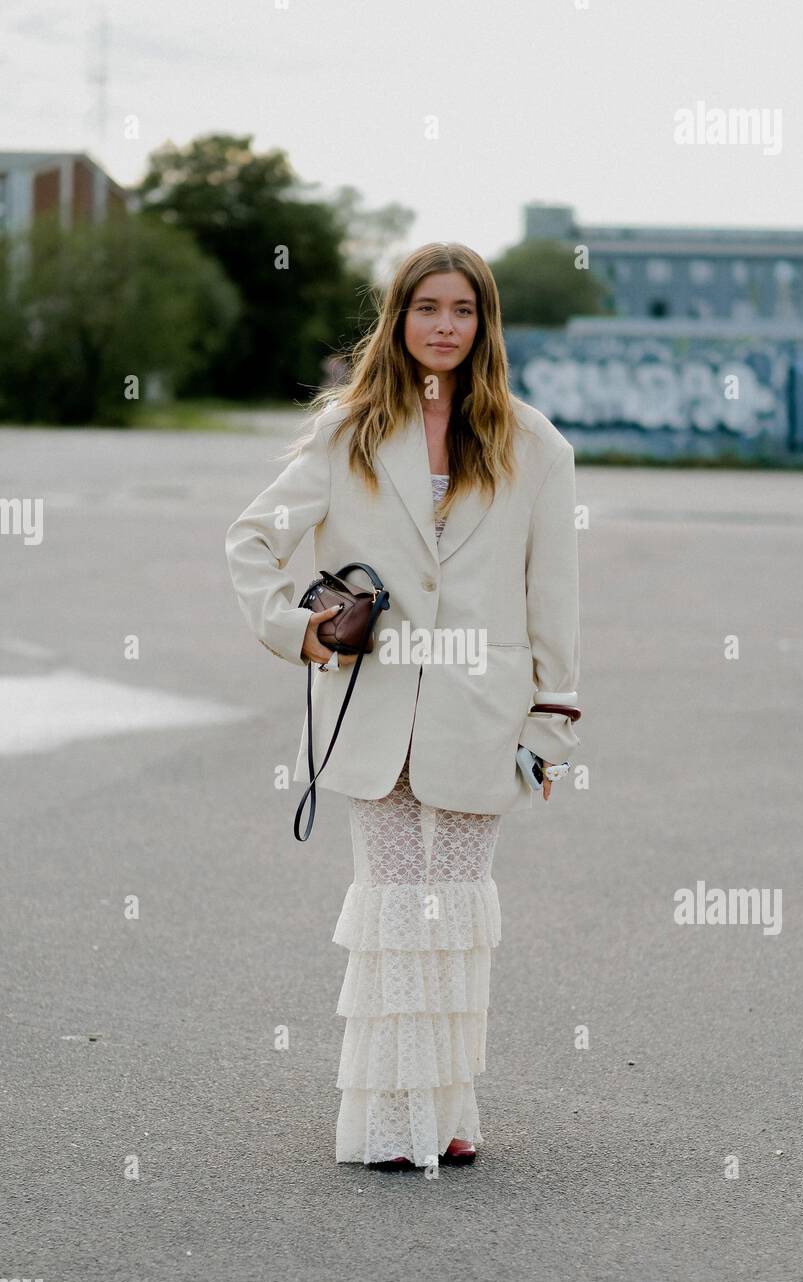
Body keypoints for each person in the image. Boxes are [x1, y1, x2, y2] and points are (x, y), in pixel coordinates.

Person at [225, 242, 580, 1171]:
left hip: (483, 716)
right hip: (372, 708)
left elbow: (556, 598)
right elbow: (252, 538)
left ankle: (450, 1113)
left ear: (484, 323)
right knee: (392, 910)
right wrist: (300, 626)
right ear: (399, 318)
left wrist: (550, 727)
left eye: (464, 309)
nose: (446, 326)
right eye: (428, 307)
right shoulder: (347, 430)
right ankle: (387, 1121)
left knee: (456, 914)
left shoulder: (535, 445)